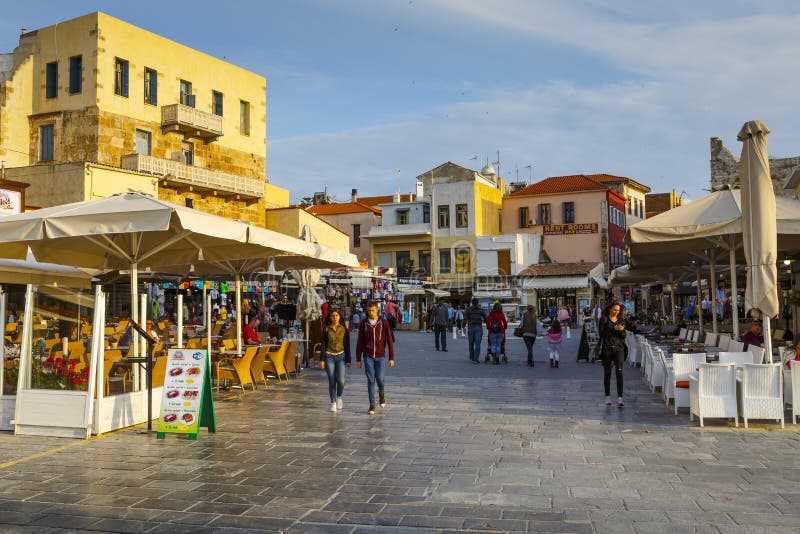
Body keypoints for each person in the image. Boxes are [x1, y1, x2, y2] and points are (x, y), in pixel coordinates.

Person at [355, 301, 395, 415]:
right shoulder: (364, 323)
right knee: (371, 380)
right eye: (369, 311)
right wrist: (358, 358)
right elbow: (360, 342)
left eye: (373, 310)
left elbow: (390, 341)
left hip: (380, 356)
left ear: (377, 310)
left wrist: (391, 357)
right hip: (367, 356)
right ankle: (372, 405)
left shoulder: (384, 322)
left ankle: (382, 395)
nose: (371, 313)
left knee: (380, 379)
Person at [320, 310, 351, 412]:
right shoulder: (326, 329)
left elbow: (347, 345)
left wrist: (348, 359)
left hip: (341, 356)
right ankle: (333, 402)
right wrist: (322, 359)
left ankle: (339, 397)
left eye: (337, 315)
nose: (335, 317)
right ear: (330, 318)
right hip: (329, 356)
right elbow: (323, 345)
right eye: (333, 316)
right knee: (332, 380)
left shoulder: (344, 329)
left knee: (341, 381)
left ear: (339, 317)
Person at [599, 302, 627, 407]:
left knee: (619, 372)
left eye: (618, 310)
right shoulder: (604, 319)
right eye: (615, 309)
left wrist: (622, 330)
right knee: (607, 373)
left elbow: (624, 336)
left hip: (619, 349)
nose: (616, 312)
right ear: (610, 309)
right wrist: (612, 329)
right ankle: (608, 397)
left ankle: (620, 398)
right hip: (607, 349)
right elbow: (601, 334)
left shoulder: (621, 321)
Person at [465, 298, 486, 364]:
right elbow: (486, 318)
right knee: (478, 343)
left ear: (472, 302)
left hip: (471, 327)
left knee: (471, 343)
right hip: (478, 327)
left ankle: (472, 357)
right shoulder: (481, 310)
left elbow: (465, 318)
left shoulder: (468, 309)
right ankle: (476, 358)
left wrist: (462, 326)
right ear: (477, 303)